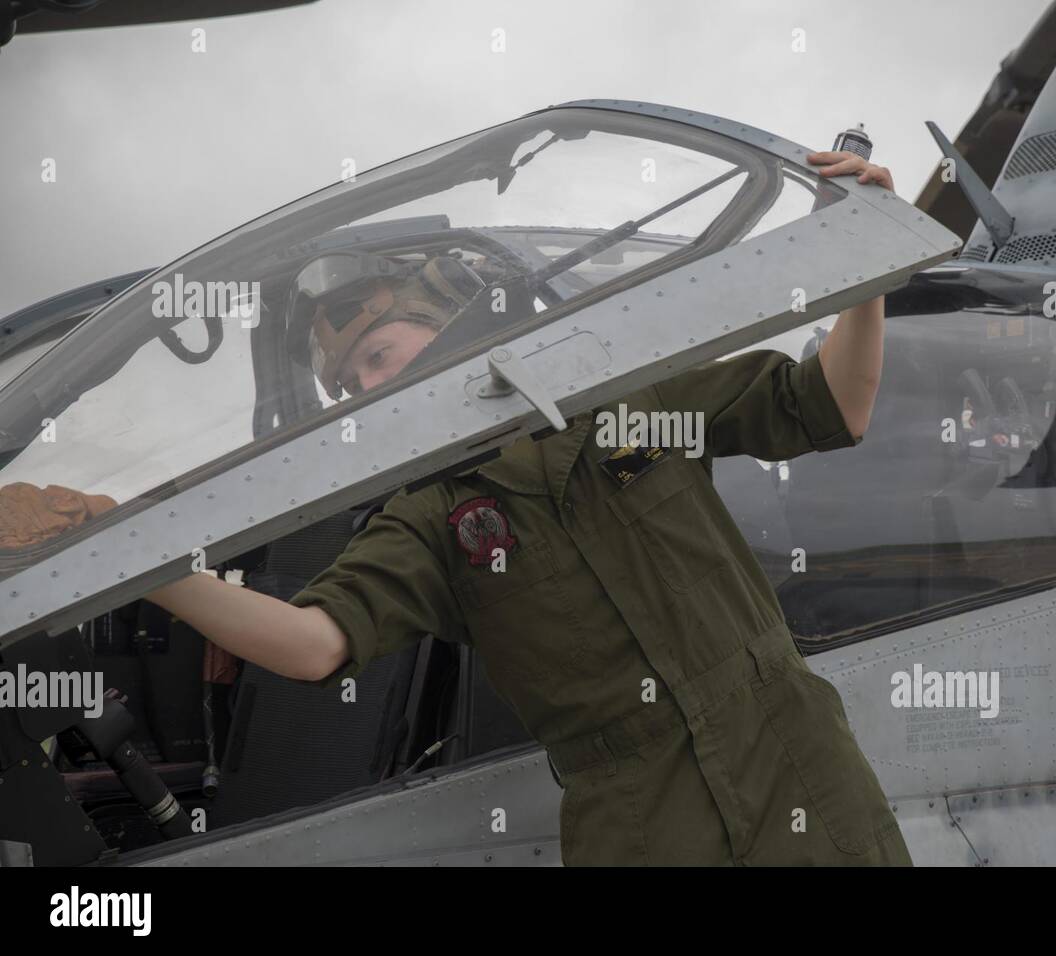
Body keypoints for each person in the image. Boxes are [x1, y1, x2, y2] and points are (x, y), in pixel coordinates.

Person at [55, 150, 913, 865]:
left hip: (799, 763)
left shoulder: (620, 392)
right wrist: (137, 561)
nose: (371, 386)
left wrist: (862, 265)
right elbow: (312, 645)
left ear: (444, 317)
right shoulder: (429, 521)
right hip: (639, 819)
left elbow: (833, 404)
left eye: (382, 354)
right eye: (353, 383)